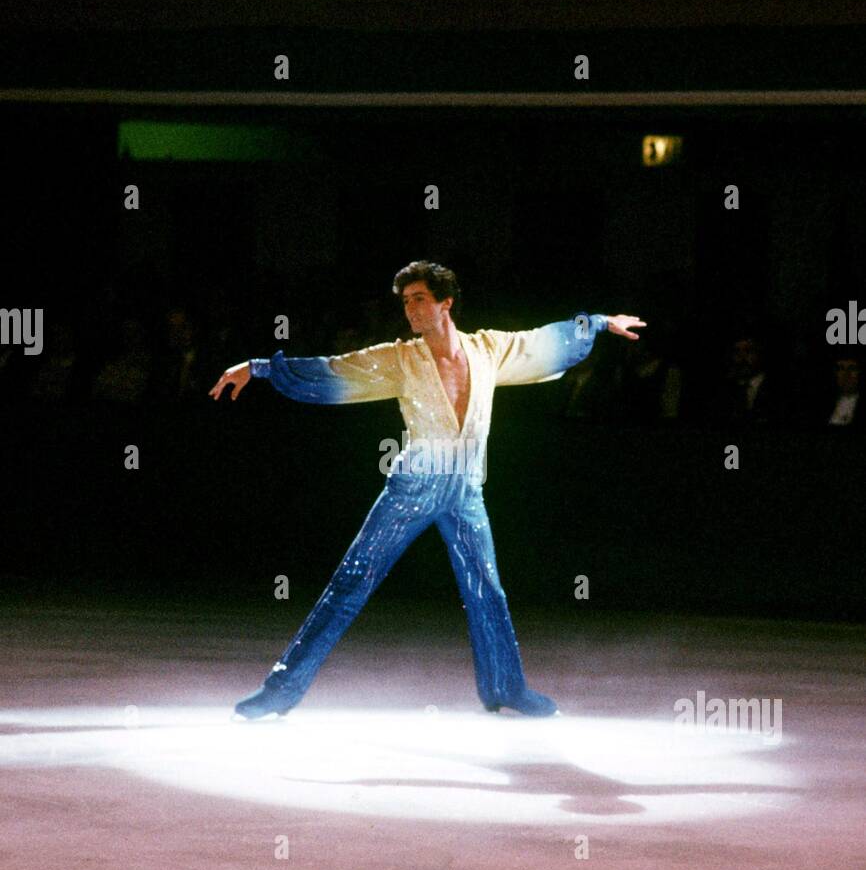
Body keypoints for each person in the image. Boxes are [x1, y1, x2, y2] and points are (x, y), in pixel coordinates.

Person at [209, 261, 645, 719]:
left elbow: (542, 341)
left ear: (446, 303)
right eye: (406, 302)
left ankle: (505, 687)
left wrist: (597, 323)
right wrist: (258, 368)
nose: (411, 310)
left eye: (419, 299)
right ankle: (281, 689)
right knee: (351, 581)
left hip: (466, 490)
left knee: (487, 591)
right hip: (412, 488)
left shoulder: (488, 350)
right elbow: (335, 370)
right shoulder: (400, 359)